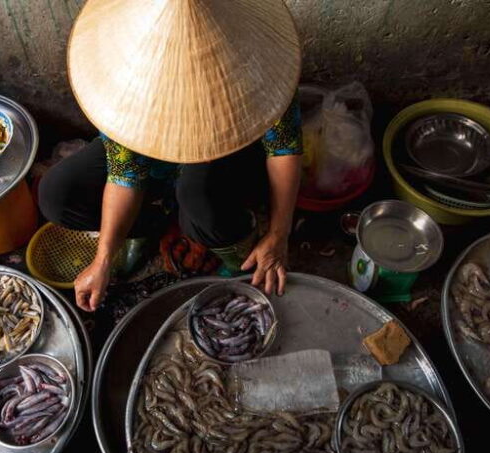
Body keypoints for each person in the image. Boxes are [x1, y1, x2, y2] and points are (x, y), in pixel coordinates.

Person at [38, 0, 303, 312]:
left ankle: (235, 244)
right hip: (158, 168)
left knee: (195, 192)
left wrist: (278, 234)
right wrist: (103, 259)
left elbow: (283, 149)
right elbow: (124, 175)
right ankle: (150, 227)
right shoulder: (127, 83)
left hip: (229, 161)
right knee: (57, 194)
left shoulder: (255, 63)